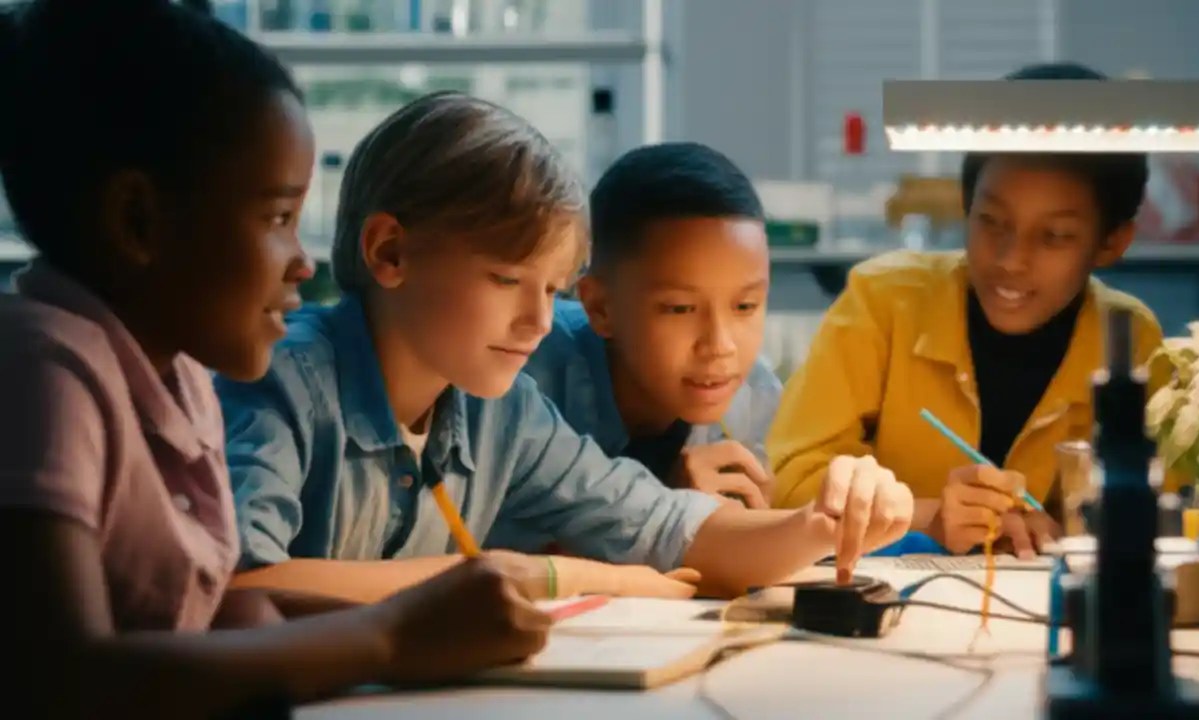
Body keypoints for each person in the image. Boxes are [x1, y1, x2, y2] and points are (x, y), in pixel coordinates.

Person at [0, 3, 549, 717]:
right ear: (138, 221)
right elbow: (60, 675)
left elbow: (226, 617)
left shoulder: (179, 376)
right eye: (277, 219)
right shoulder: (42, 369)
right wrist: (388, 637)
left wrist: (428, 621)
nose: (303, 261)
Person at [217, 92, 914, 604]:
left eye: (552, 289)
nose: (540, 322)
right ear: (390, 252)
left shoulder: (500, 410)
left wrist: (823, 523)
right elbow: (238, 588)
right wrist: (549, 576)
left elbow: (674, 531)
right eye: (507, 279)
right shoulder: (284, 377)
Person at [768, 62, 1172, 558]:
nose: (1010, 259)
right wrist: (929, 516)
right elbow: (788, 481)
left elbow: (1169, 510)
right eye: (991, 220)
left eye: (1055, 236)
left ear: (1112, 241)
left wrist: (1073, 528)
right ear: (965, 203)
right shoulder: (884, 300)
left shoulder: (1129, 339)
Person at [523, 142, 780, 509]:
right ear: (600, 307)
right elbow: (495, 558)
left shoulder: (754, 396)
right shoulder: (525, 382)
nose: (720, 345)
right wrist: (669, 516)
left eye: (745, 306)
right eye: (680, 308)